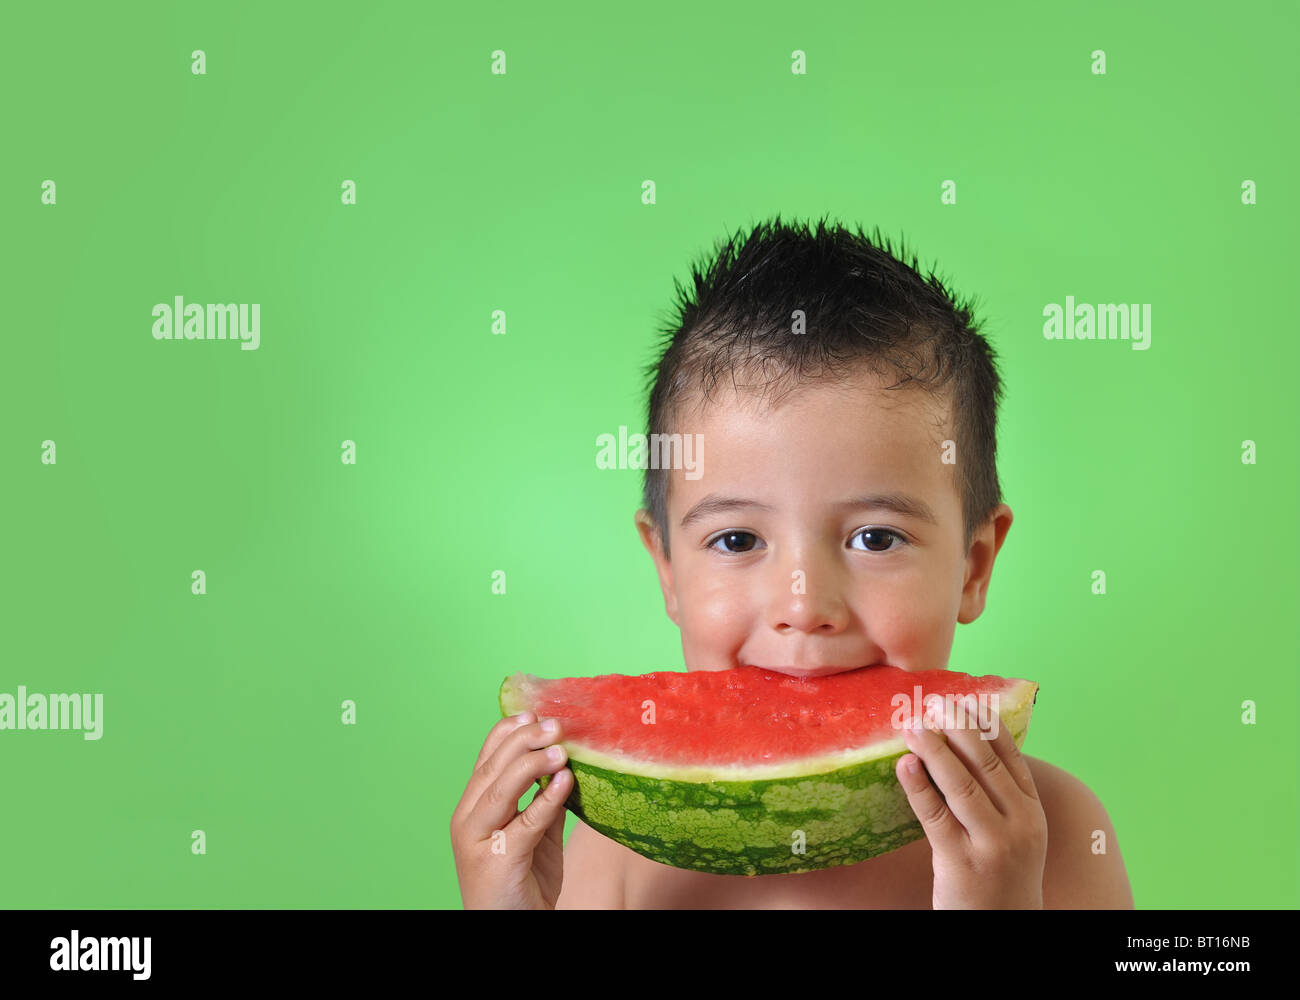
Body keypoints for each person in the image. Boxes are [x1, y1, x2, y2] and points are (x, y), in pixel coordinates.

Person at [451, 215, 1134, 909]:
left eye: (875, 538)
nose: (805, 606)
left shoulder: (1053, 834)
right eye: (738, 541)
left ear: (973, 565)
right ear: (667, 571)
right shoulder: (612, 856)